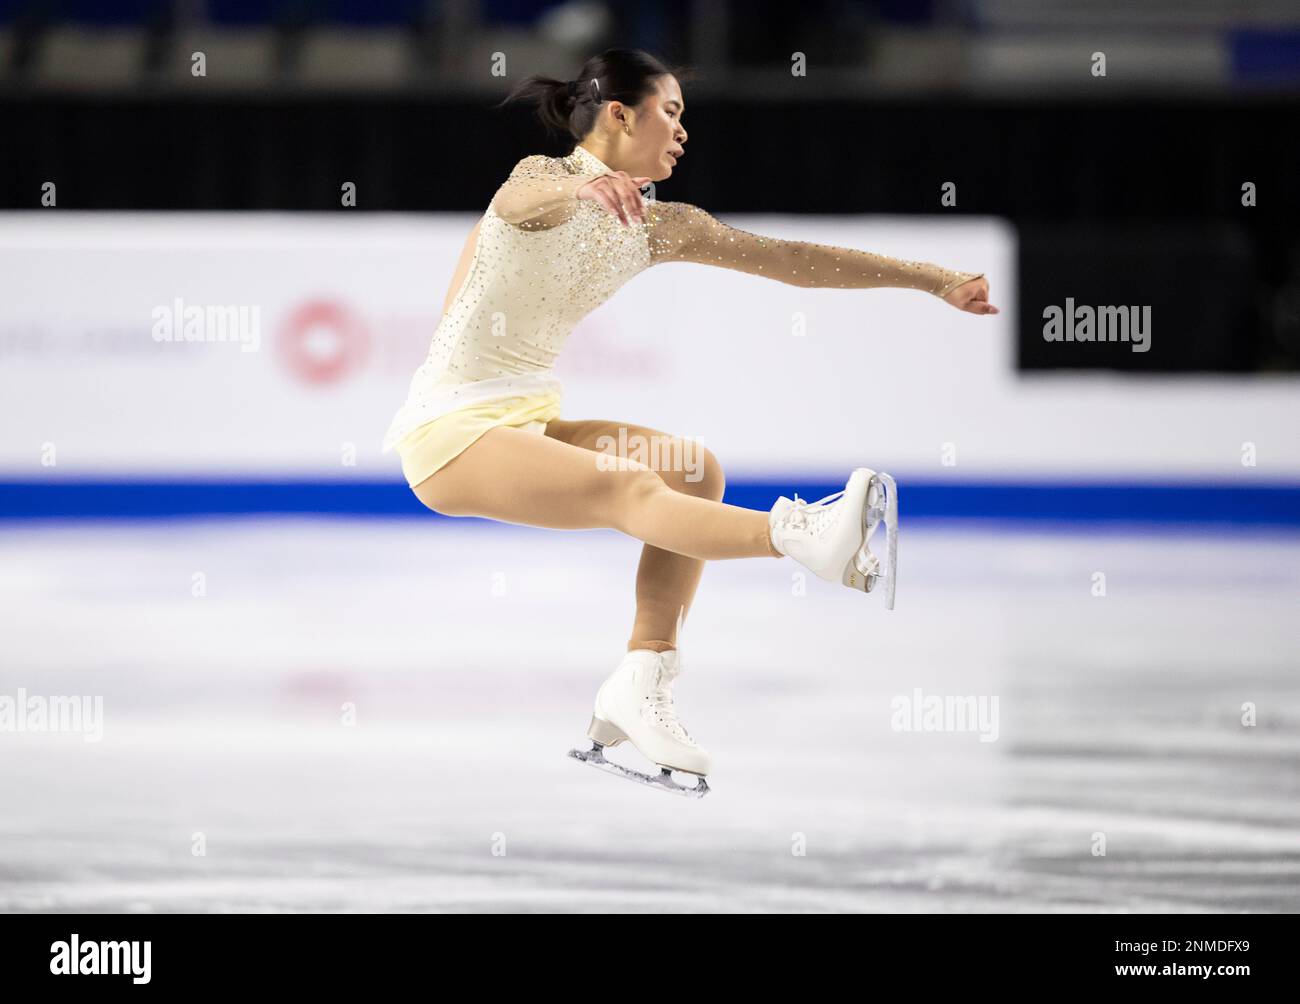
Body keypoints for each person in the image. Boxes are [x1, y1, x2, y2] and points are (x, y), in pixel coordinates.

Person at [382, 48, 998, 796]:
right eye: (669, 112)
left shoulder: (660, 226)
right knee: (628, 485)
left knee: (691, 469)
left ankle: (641, 678)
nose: (681, 132)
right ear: (619, 114)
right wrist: (586, 191)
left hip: (526, 418)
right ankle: (798, 536)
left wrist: (934, 281)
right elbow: (521, 205)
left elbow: (792, 258)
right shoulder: (538, 178)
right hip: (448, 434)